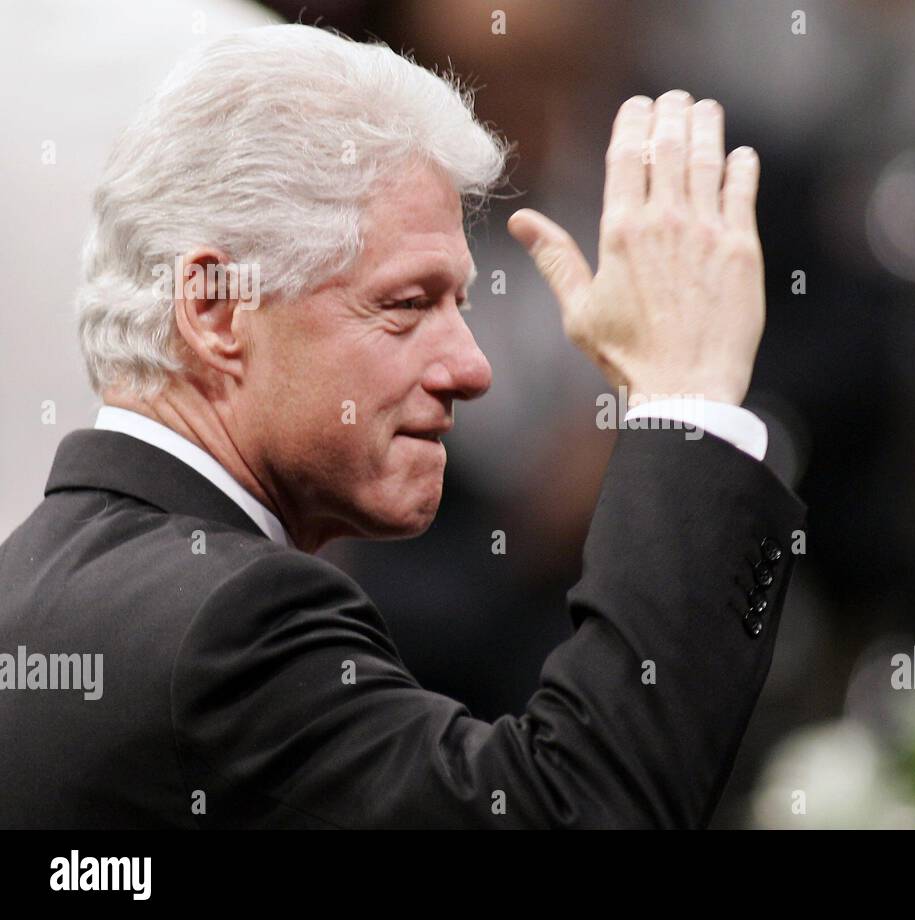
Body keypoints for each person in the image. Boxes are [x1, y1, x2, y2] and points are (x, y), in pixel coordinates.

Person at [0, 24, 805, 828]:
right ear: (216, 310)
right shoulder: (233, 619)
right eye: (407, 305)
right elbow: (577, 811)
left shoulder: (32, 577)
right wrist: (684, 398)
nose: (471, 367)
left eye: (460, 304)